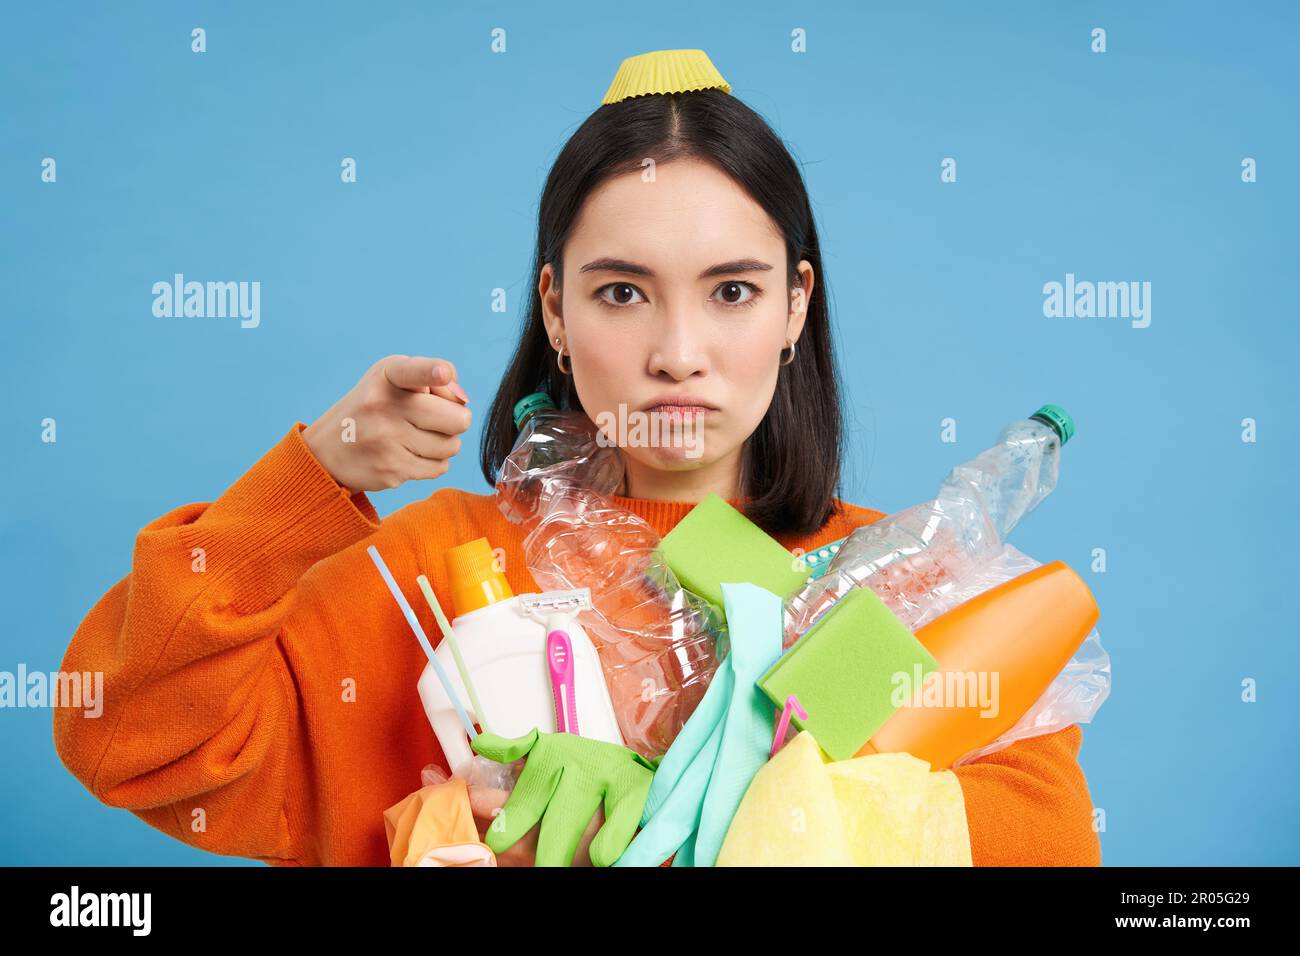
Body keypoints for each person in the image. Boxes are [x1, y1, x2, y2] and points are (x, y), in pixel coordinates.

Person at [53, 50, 1101, 867]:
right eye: (621, 291)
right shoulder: (421, 574)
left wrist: (678, 804)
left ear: (795, 306)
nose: (675, 354)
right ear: (555, 306)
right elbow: (126, 732)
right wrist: (313, 479)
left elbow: (1043, 841)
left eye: (731, 290)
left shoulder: (900, 584)